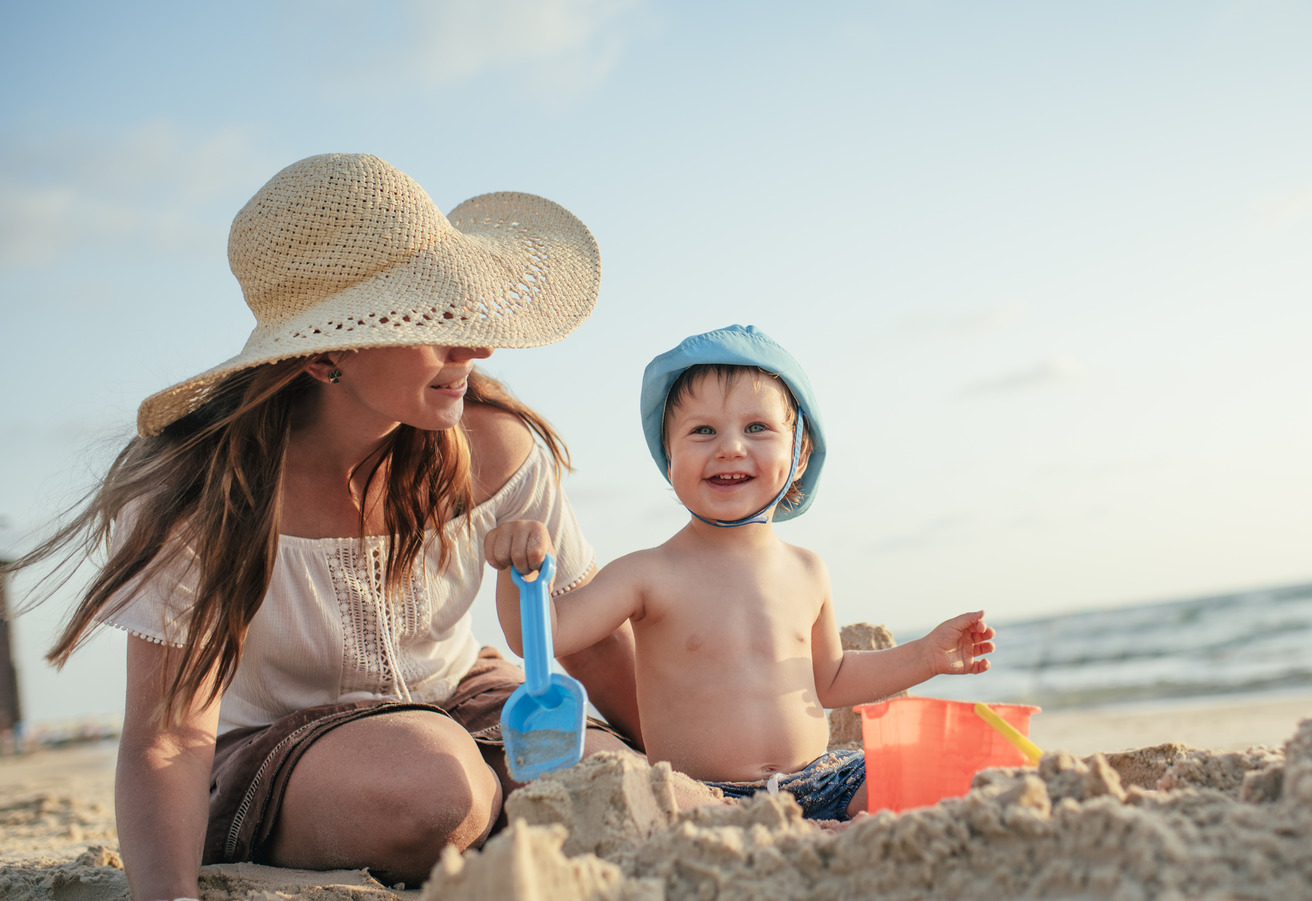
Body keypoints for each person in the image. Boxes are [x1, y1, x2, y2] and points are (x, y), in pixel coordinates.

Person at [2, 153, 644, 898]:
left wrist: (688, 777)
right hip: (279, 744)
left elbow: (591, 636)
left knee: (611, 787)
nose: (477, 346)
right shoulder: (199, 490)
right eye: (434, 316)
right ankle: (487, 813)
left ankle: (500, 810)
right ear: (329, 349)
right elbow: (171, 735)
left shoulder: (491, 442)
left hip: (463, 693)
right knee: (437, 790)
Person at [545, 325, 997, 820]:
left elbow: (833, 678)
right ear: (668, 457)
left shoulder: (807, 569)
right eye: (702, 431)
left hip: (823, 780)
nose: (731, 447)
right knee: (635, 785)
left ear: (799, 452)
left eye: (757, 428)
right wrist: (520, 573)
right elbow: (547, 634)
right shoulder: (648, 574)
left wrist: (925, 655)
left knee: (927, 771)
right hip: (706, 796)